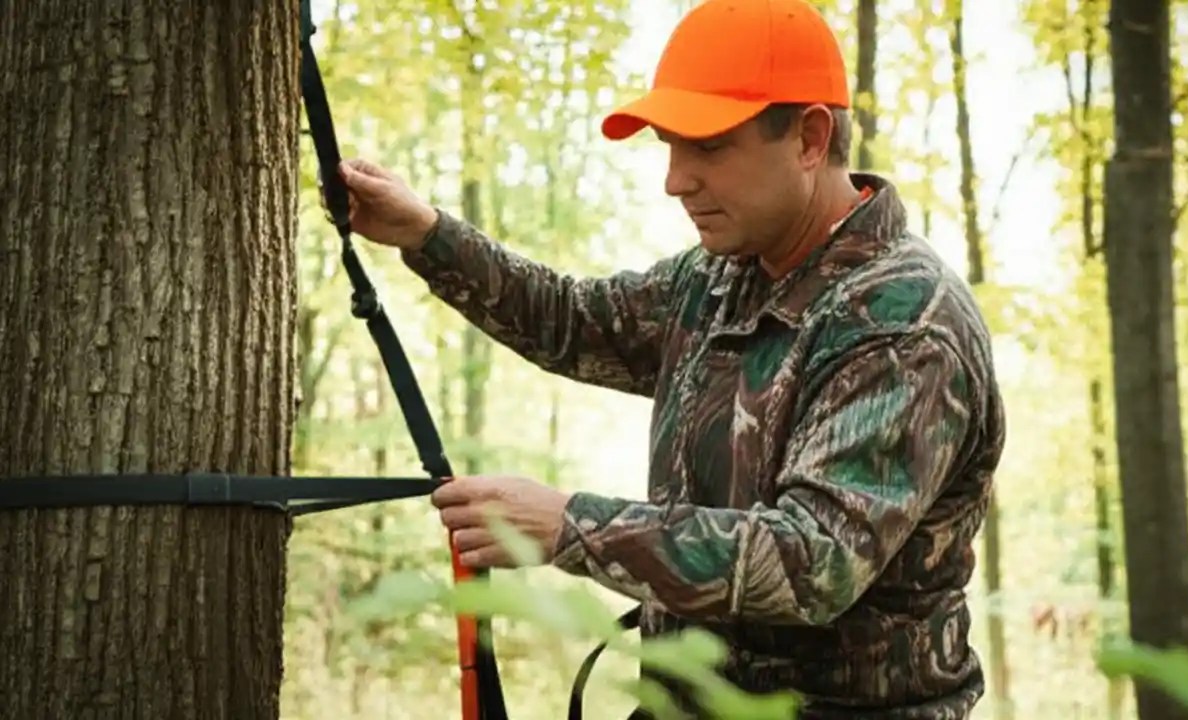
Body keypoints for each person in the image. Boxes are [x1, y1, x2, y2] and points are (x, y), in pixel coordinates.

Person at [332, 0, 1005, 717]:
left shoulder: (902, 325)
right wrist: (426, 234)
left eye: (708, 147)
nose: (675, 179)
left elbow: (813, 561)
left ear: (809, 137)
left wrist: (569, 525)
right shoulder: (722, 277)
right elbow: (574, 321)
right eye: (670, 146)